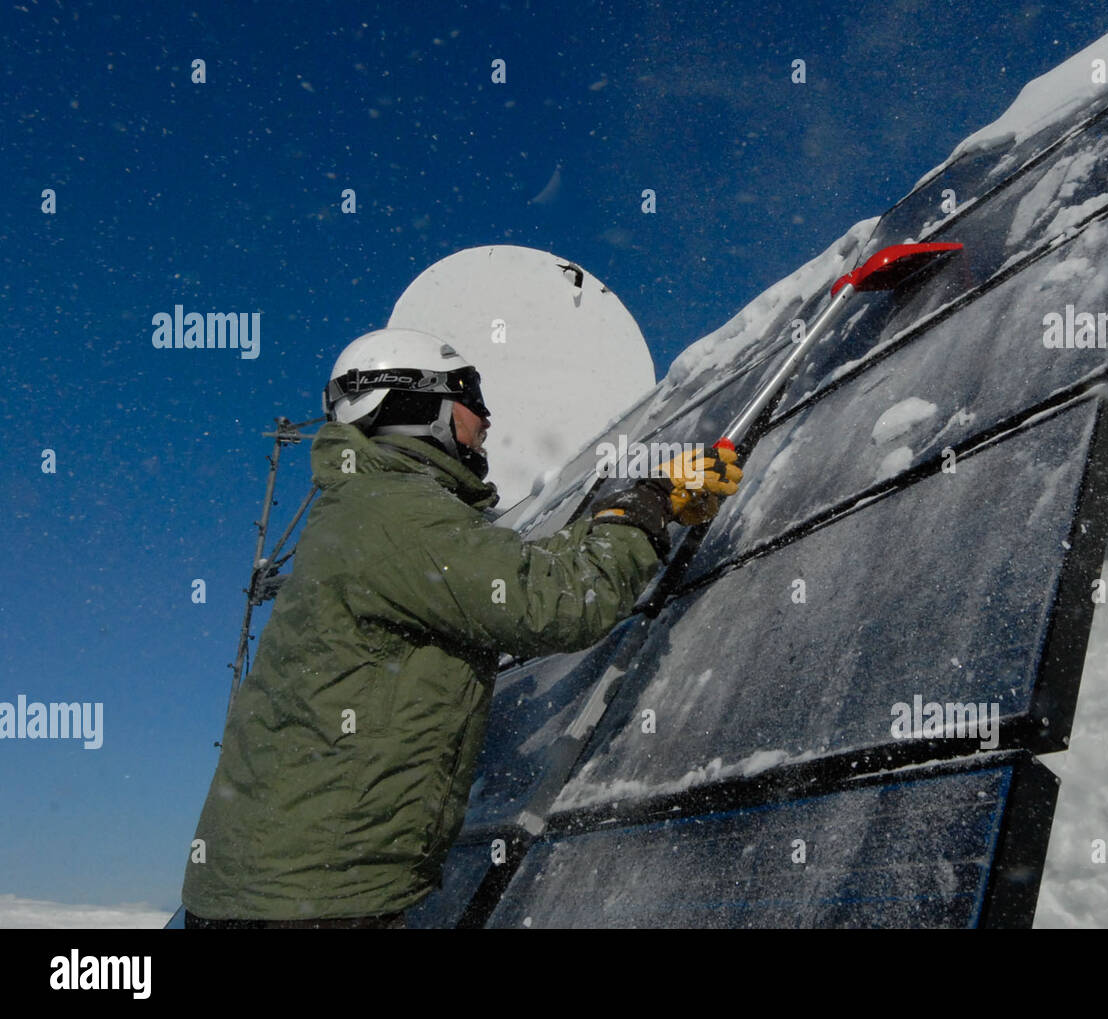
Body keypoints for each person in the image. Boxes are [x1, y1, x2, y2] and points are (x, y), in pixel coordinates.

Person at [181, 327, 741, 928]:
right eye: (470, 398)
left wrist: (620, 512)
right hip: (311, 902)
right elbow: (563, 600)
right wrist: (646, 503)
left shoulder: (370, 507)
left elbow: (512, 580)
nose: (486, 418)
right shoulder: (395, 513)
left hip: (291, 886)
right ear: (417, 404)